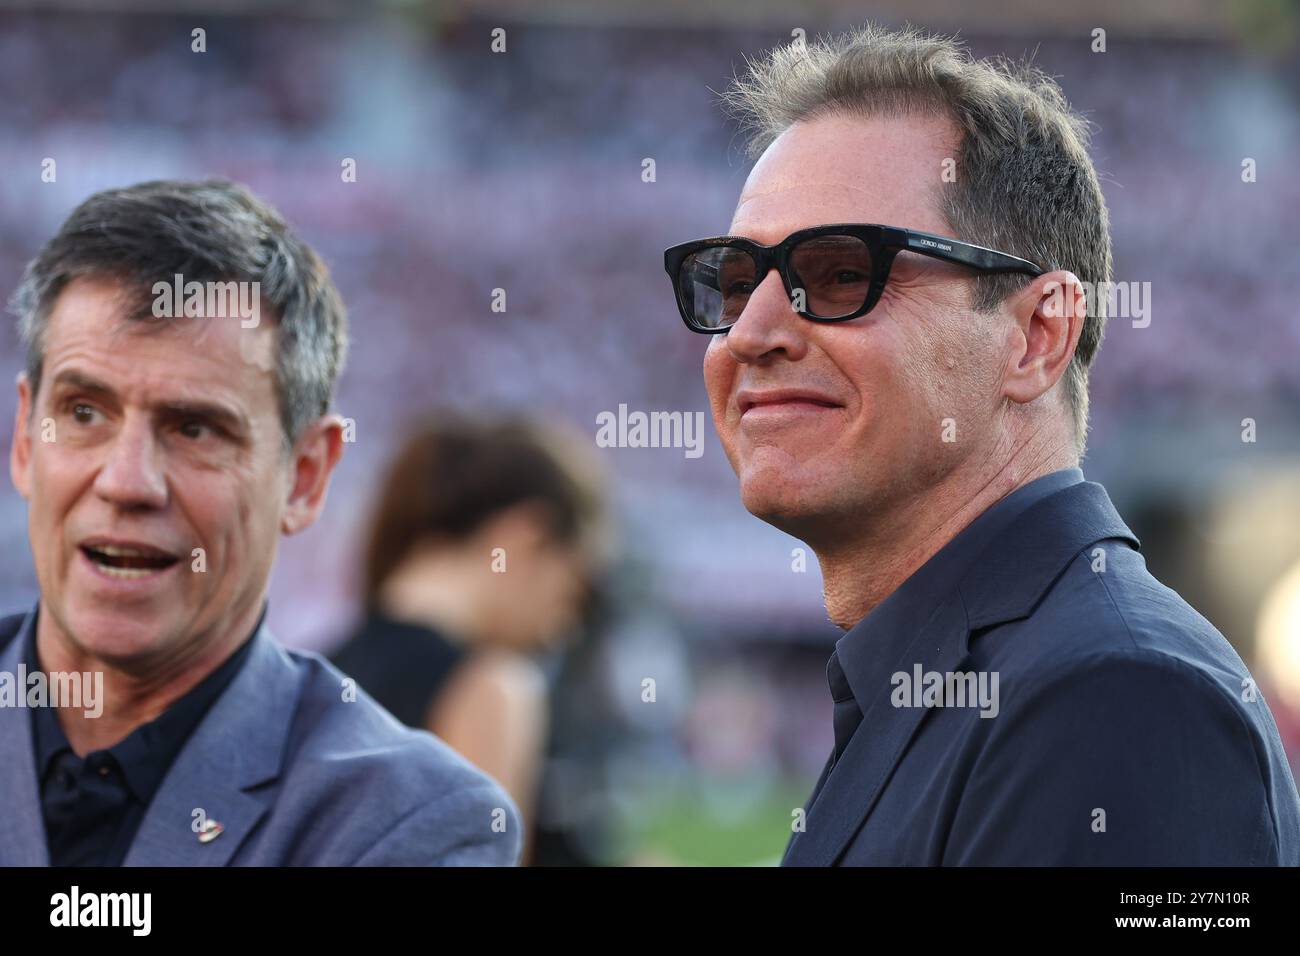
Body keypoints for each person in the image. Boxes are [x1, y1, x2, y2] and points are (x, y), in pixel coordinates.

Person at [663, 24, 1300, 865]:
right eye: (736, 283)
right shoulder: (969, 671)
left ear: (1038, 335)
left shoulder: (1116, 693)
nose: (751, 332)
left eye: (844, 274)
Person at [0, 179, 519, 866]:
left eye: (194, 428)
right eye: (85, 413)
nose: (126, 482)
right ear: (27, 440)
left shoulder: (408, 821)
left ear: (305, 477)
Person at [331, 415, 606, 863]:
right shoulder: (491, 685)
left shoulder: (316, 673)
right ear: (526, 539)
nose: (566, 626)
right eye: (577, 592)